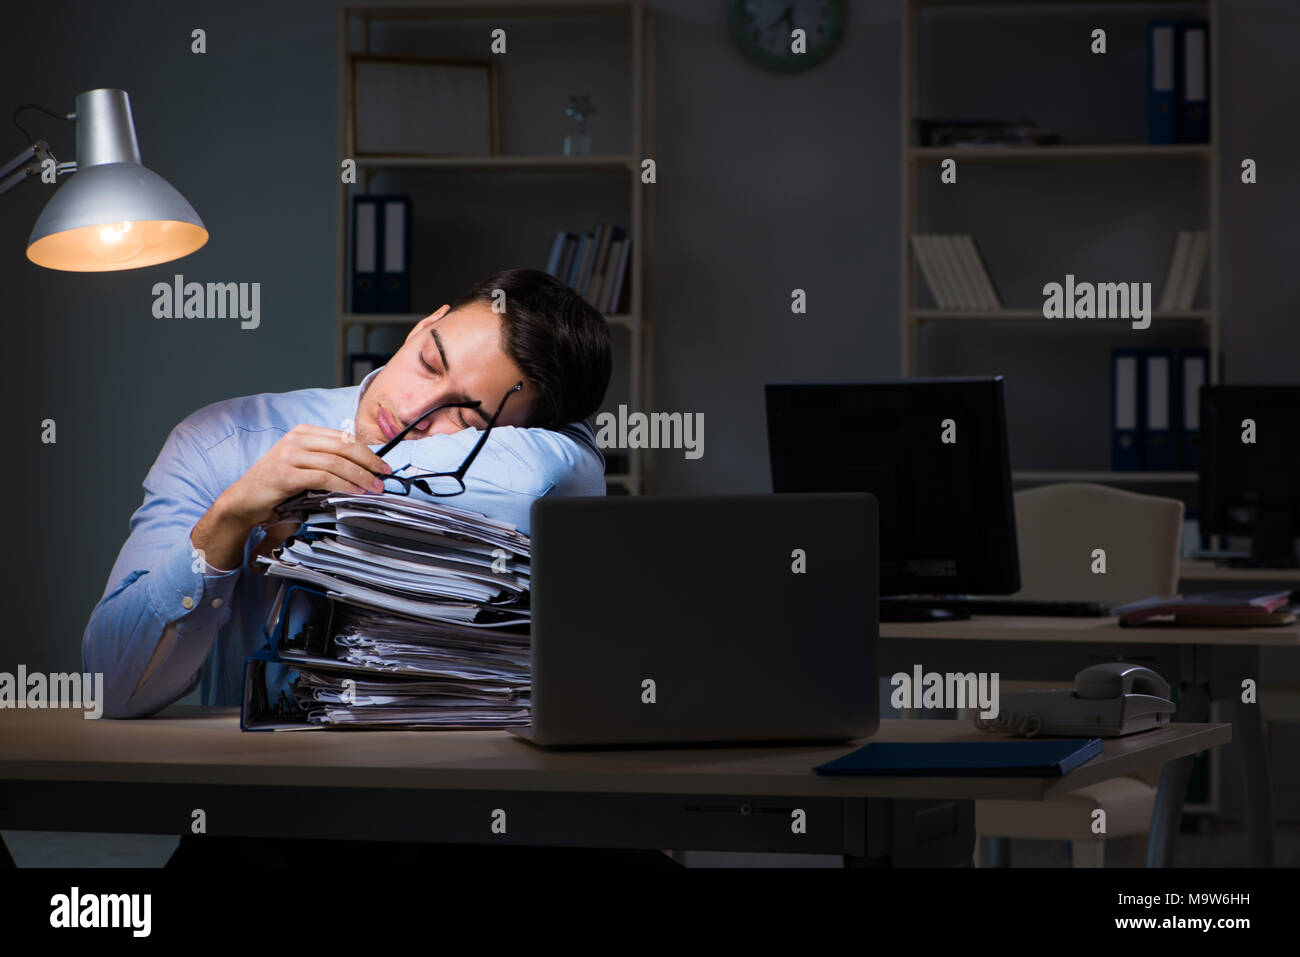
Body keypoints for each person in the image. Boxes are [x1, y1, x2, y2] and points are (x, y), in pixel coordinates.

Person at [83, 267, 611, 721]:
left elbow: (567, 473)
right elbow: (110, 687)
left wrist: (318, 501)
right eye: (429, 362)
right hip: (257, 804)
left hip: (460, 792)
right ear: (425, 324)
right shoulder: (222, 441)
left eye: (465, 418)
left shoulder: (541, 463)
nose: (412, 410)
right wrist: (228, 520)